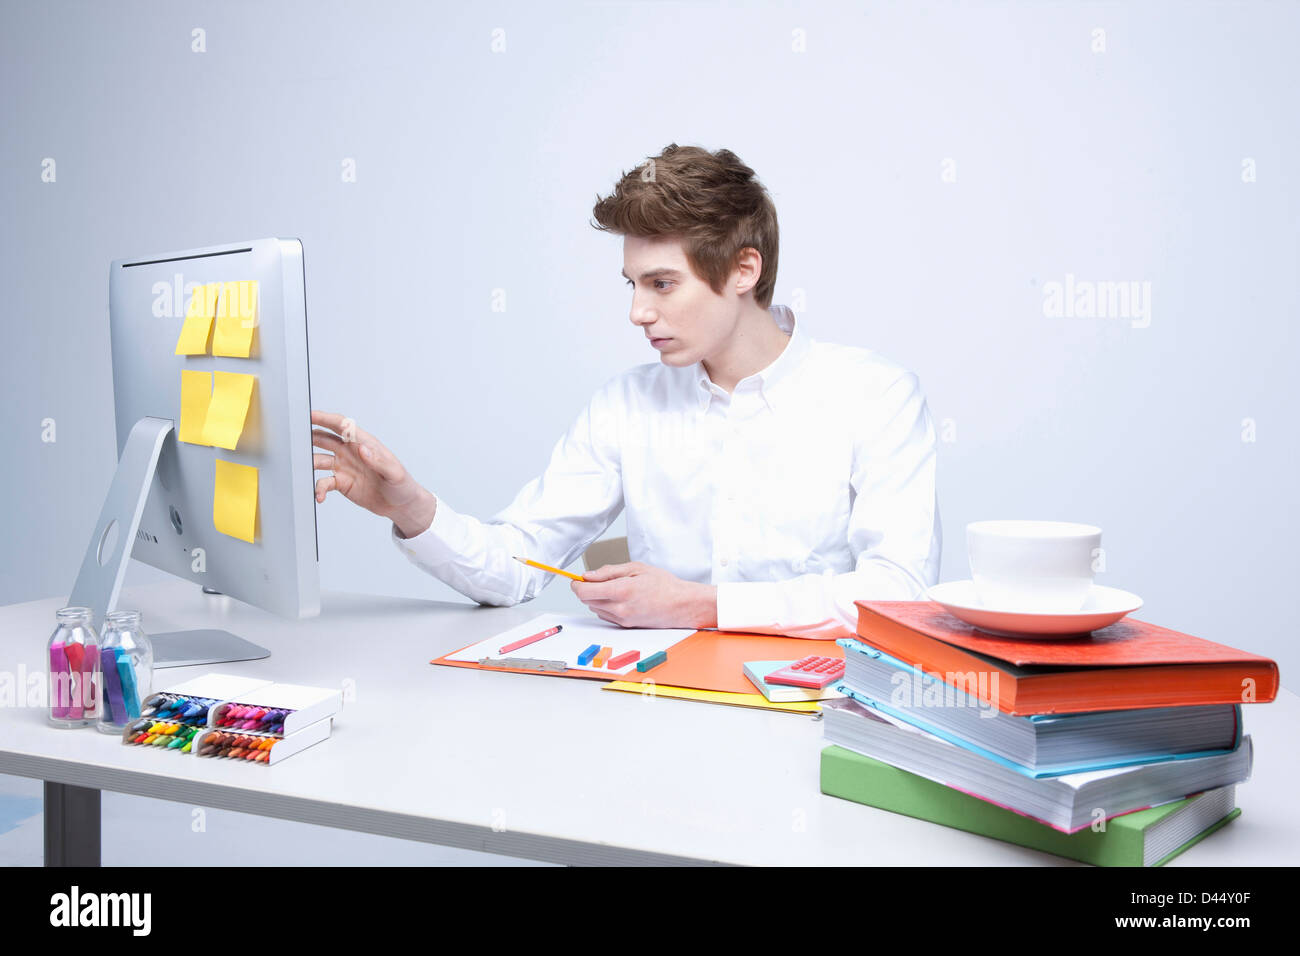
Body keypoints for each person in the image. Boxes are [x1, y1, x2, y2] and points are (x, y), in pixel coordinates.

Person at [311, 143, 941, 640]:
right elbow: (516, 569)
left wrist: (703, 606)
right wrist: (410, 508)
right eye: (631, 284)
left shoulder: (875, 396)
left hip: (816, 717)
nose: (638, 312)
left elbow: (900, 592)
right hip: (657, 720)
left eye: (662, 284)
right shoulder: (625, 406)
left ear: (744, 270)